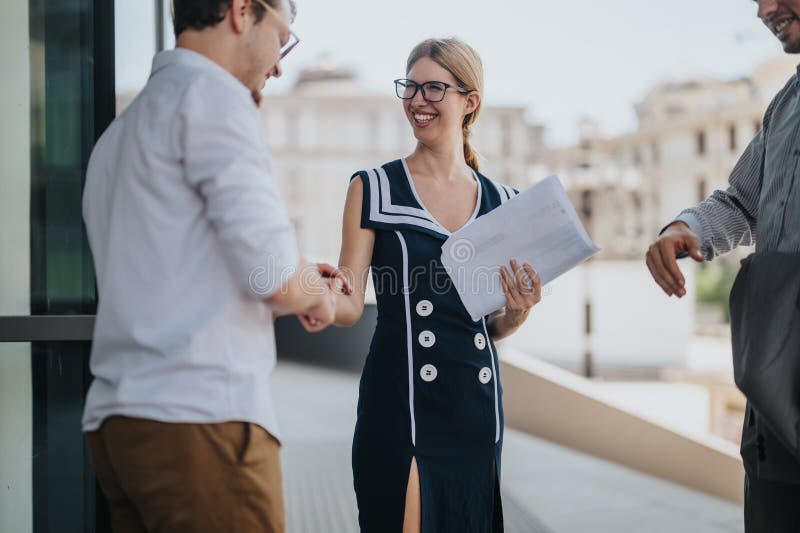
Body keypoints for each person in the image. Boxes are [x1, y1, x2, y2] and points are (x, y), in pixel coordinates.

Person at [81, 1, 346, 531]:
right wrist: (317, 290)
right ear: (242, 11)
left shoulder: (121, 132)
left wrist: (293, 273)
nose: (278, 65)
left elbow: (176, 277)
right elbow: (273, 277)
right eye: (282, 37)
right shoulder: (216, 101)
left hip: (120, 425)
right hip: (202, 426)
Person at [329, 37, 542, 532]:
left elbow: (494, 324)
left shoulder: (503, 203)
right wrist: (302, 287)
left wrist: (520, 308)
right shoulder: (373, 188)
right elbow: (347, 298)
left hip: (474, 409)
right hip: (398, 404)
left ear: (469, 102)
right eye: (411, 87)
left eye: (433, 88)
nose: (417, 101)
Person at [646, 1, 800, 530]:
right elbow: (740, 203)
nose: (764, 9)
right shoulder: (785, 107)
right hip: (776, 397)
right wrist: (685, 228)